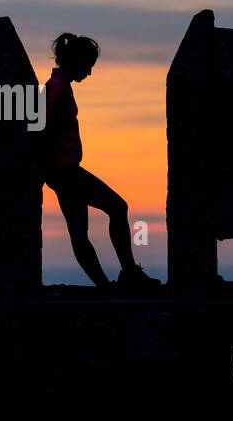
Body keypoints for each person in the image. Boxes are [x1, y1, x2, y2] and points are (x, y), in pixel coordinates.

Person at [40, 33, 161, 295]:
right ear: (75, 59)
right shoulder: (58, 88)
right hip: (66, 171)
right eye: (87, 65)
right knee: (117, 207)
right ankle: (128, 274)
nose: (89, 72)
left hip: (61, 171)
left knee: (79, 232)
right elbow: (41, 126)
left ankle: (106, 287)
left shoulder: (58, 86)